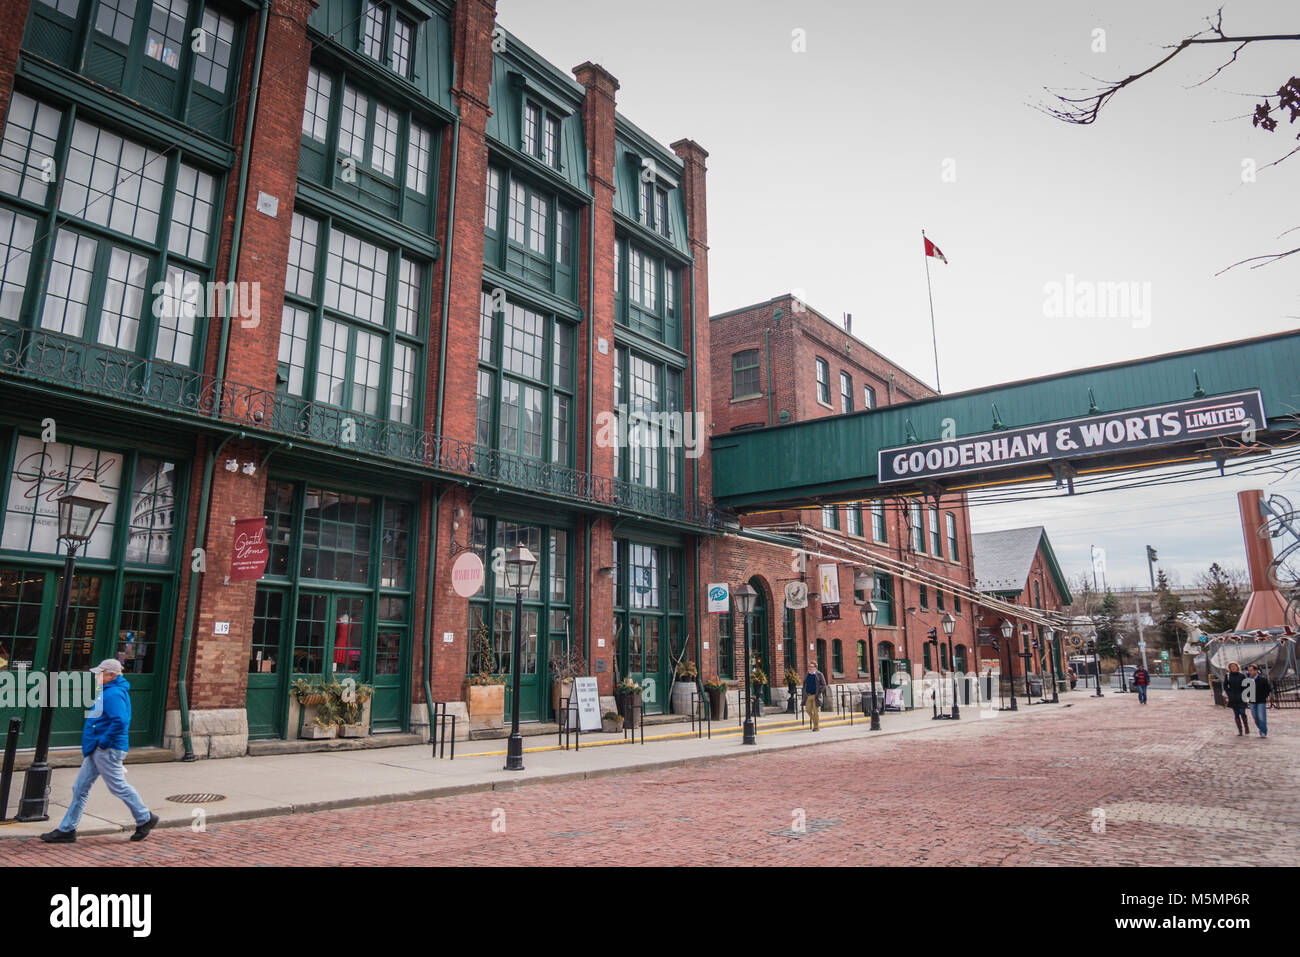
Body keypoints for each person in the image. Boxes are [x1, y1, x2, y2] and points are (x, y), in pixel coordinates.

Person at [40, 658, 158, 844]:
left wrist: (103, 742)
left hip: (107, 749)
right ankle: (67, 829)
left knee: (117, 786)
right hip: (99, 748)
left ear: (111, 675)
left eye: (100, 673)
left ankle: (145, 818)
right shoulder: (110, 691)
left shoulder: (113, 694)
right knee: (80, 788)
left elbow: (120, 720)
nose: (96, 676)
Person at [1223, 661, 1249, 737]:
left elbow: (1246, 686)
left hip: (1241, 696)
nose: (1233, 668)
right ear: (1229, 668)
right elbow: (1225, 686)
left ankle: (1246, 727)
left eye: (1235, 666)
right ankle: (1240, 730)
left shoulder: (1242, 676)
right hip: (1233, 697)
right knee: (1236, 714)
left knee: (1242, 712)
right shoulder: (1228, 676)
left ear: (1237, 667)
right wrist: (1229, 693)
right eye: (1232, 667)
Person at [1245, 664, 1271, 738]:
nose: (1250, 672)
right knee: (1255, 717)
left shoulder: (1262, 680)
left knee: (1261, 717)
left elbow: (1268, 689)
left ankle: (1263, 731)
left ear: (1256, 670)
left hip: (1261, 701)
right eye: (1249, 670)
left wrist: (1264, 696)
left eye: (1251, 670)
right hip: (1252, 701)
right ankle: (1261, 728)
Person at [803, 662, 827, 731]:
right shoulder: (807, 674)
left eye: (812, 666)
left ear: (815, 667)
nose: (810, 668)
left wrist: (819, 692)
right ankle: (815, 720)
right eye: (809, 666)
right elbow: (805, 684)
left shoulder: (819, 674)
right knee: (807, 710)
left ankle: (816, 727)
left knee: (816, 711)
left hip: (816, 696)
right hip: (808, 695)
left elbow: (823, 684)